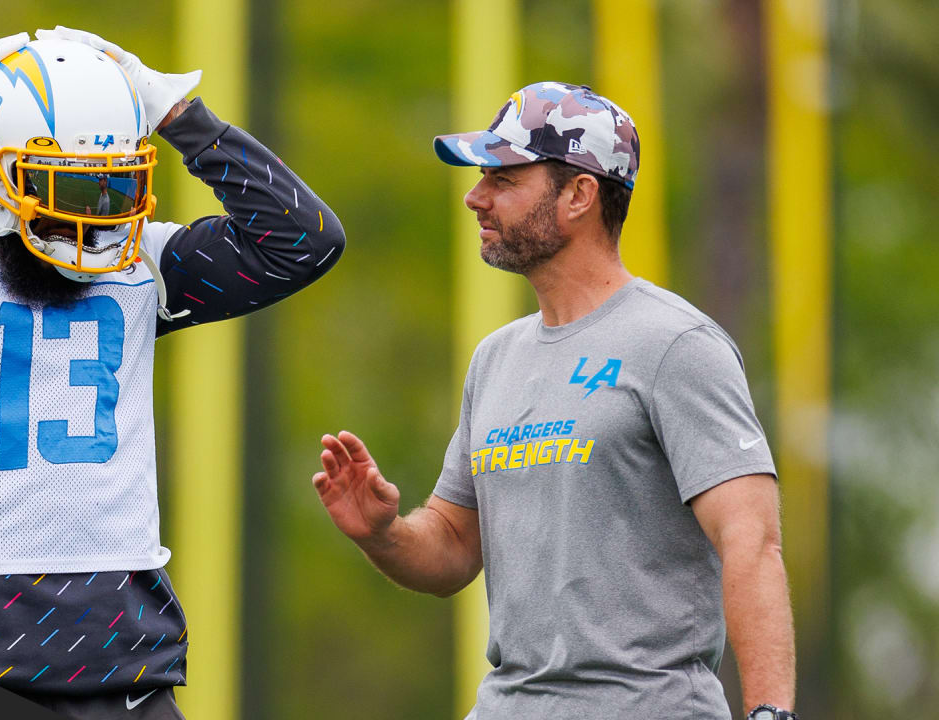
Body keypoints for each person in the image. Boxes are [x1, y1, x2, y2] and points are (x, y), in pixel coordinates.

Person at [0, 27, 344, 718]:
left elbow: (304, 241)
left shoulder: (134, 261)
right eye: (68, 185)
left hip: (120, 660)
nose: (94, 214)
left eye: (114, 184)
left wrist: (185, 121)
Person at [311, 82, 796, 720]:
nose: (475, 198)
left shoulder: (677, 344)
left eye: (504, 179)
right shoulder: (495, 358)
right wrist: (383, 534)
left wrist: (770, 714)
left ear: (579, 194)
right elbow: (454, 547)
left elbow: (751, 541)